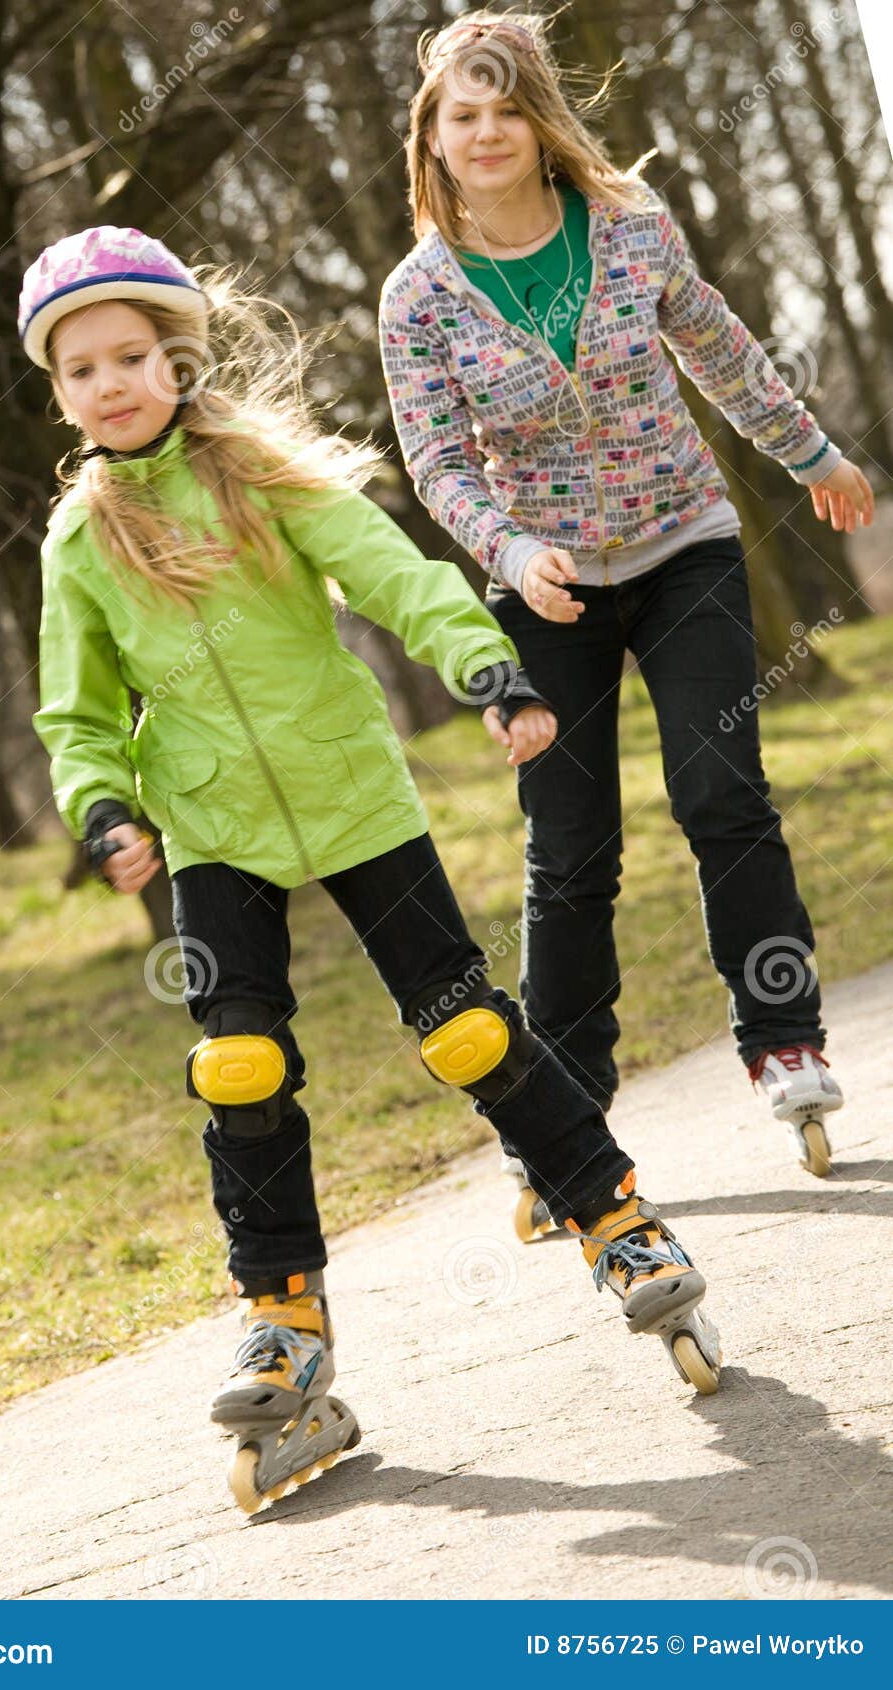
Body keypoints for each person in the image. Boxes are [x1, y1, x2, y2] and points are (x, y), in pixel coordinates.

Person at [19, 227, 723, 1512]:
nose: (110, 383)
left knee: (459, 1026)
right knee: (238, 1062)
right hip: (213, 829)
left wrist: (485, 668)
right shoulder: (79, 541)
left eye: (133, 356)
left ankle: (614, 1219)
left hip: (353, 795)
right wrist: (103, 806)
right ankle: (279, 1312)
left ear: (177, 360)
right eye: (81, 371)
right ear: (57, 392)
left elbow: (396, 576)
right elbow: (73, 710)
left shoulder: (264, 482)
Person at [379, 9, 874, 1201]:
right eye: (464, 115)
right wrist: (507, 543)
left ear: (540, 126)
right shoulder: (420, 297)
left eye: (506, 109)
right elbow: (435, 463)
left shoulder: (628, 228)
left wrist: (811, 455)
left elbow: (720, 348)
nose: (486, 131)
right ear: (432, 140)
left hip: (682, 545)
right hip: (540, 585)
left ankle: (784, 1040)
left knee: (721, 791)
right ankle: (570, 1117)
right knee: (570, 851)